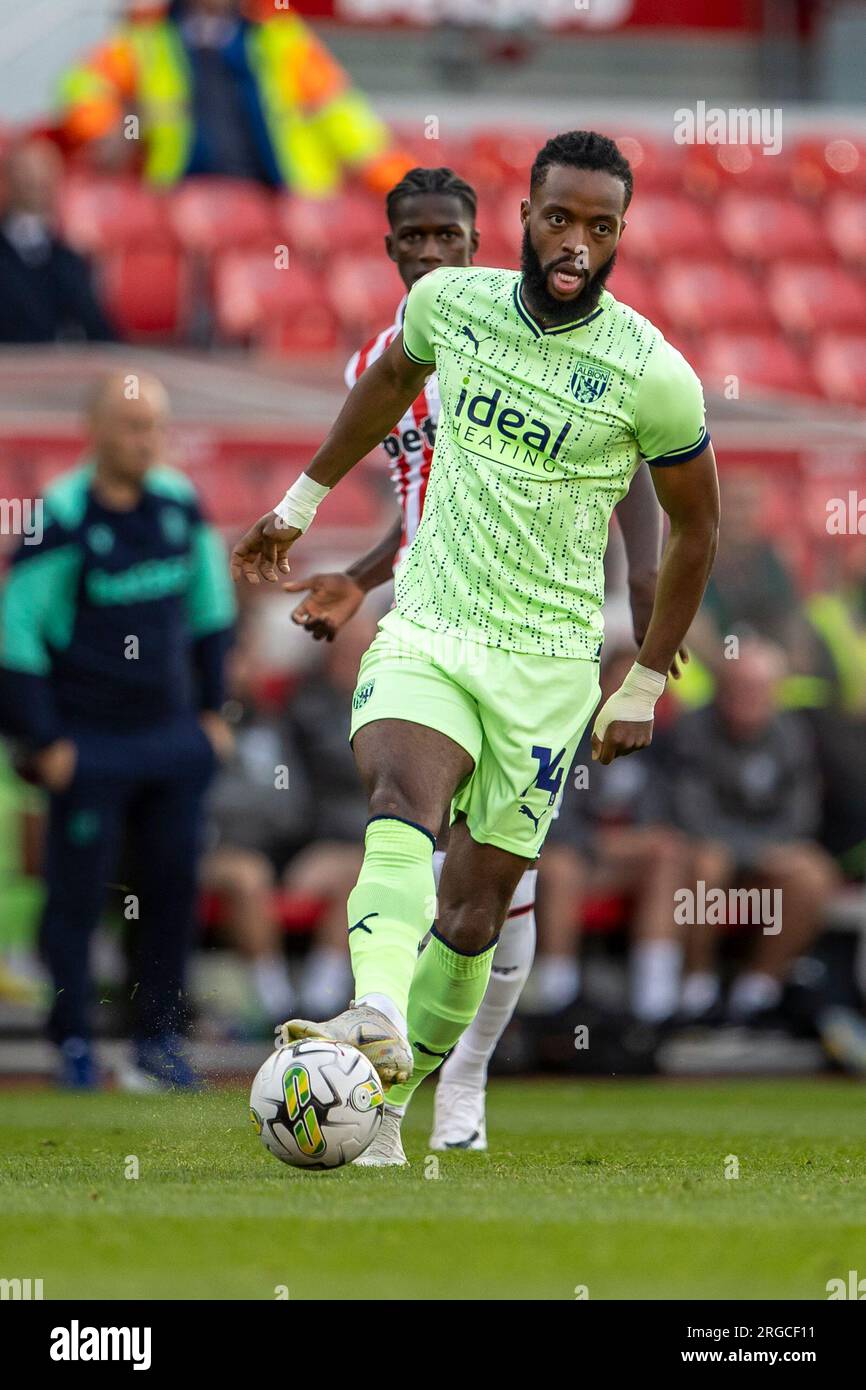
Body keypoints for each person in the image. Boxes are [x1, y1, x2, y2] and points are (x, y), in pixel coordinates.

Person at [231, 129, 720, 1167]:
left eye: (598, 224)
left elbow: (695, 527)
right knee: (398, 802)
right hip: (432, 624)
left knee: (473, 914)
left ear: (621, 233)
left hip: (546, 665)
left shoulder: (651, 372)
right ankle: (370, 1012)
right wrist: (298, 503)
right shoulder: (452, 306)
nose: (574, 240)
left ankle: (407, 1097)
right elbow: (378, 389)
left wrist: (637, 672)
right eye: (558, 216)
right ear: (523, 216)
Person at [0, 372, 235, 1089]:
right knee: (78, 896)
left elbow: (211, 613)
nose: (147, 441)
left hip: (169, 740)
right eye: (133, 426)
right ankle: (73, 1042)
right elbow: (17, 634)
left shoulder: (178, 505)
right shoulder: (62, 516)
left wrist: (211, 716)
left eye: (157, 427)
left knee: (169, 890)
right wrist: (43, 741)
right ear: (96, 431)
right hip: (89, 742)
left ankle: (157, 1040)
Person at [57, 0, 410, 195]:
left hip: (277, 196)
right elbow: (84, 83)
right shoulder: (146, 36)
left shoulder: (281, 36)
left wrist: (404, 185)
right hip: (181, 194)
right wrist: (109, 128)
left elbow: (345, 119)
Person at [667, 639, 838, 1023]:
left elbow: (801, 814)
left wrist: (765, 853)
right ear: (722, 689)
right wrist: (751, 851)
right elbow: (691, 814)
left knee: (813, 874)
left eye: (758, 689)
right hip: (707, 858)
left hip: (764, 863)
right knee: (707, 863)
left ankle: (757, 993)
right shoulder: (694, 729)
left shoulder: (791, 734)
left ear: (775, 692)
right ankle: (696, 990)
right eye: (739, 688)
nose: (748, 698)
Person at [532, 644, 689, 1023]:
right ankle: (556, 1002)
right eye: (620, 684)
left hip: (617, 867)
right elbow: (549, 815)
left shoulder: (658, 743)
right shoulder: (567, 736)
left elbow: (668, 814)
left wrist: (631, 844)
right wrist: (604, 844)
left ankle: (656, 1009)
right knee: (563, 868)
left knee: (668, 857)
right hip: (561, 859)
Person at [0, 137, 115, 345]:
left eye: (43, 176)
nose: (34, 182)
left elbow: (100, 334)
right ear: (8, 180)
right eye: (25, 174)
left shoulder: (69, 261)